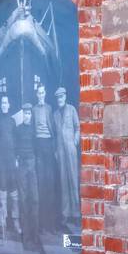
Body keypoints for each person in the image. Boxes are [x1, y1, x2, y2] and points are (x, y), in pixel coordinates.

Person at [14, 103, 47, 254]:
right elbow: (14, 147)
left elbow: (37, 148)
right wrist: (17, 161)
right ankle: (26, 240)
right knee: (24, 200)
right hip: (22, 165)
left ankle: (34, 238)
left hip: (32, 165)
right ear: (23, 115)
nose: (27, 115)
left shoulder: (34, 130)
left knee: (35, 200)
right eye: (25, 113)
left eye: (29, 113)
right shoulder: (18, 129)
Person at [31, 83, 60, 234]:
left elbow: (53, 129)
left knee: (50, 185)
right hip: (38, 146)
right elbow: (31, 130)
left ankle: (51, 225)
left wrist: (54, 148)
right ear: (37, 95)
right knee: (40, 186)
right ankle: (41, 226)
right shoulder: (34, 110)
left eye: (43, 92)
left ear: (45, 93)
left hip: (48, 145)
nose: (41, 95)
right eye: (39, 93)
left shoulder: (49, 108)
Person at [52, 87, 80, 233]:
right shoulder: (55, 114)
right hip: (61, 152)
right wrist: (56, 151)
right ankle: (66, 215)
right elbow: (54, 134)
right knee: (63, 182)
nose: (60, 100)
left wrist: (75, 141)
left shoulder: (72, 110)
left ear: (65, 97)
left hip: (70, 150)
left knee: (73, 181)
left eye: (61, 97)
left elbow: (77, 127)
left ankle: (76, 214)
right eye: (58, 98)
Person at [0, 95, 19, 242]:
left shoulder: (12, 121)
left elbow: (15, 140)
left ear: (9, 105)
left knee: (13, 188)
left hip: (11, 159)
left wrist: (15, 158)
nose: (4, 105)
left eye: (6, 102)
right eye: (2, 102)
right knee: (2, 187)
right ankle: (3, 220)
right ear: (1, 105)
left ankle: (15, 220)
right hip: (1, 160)